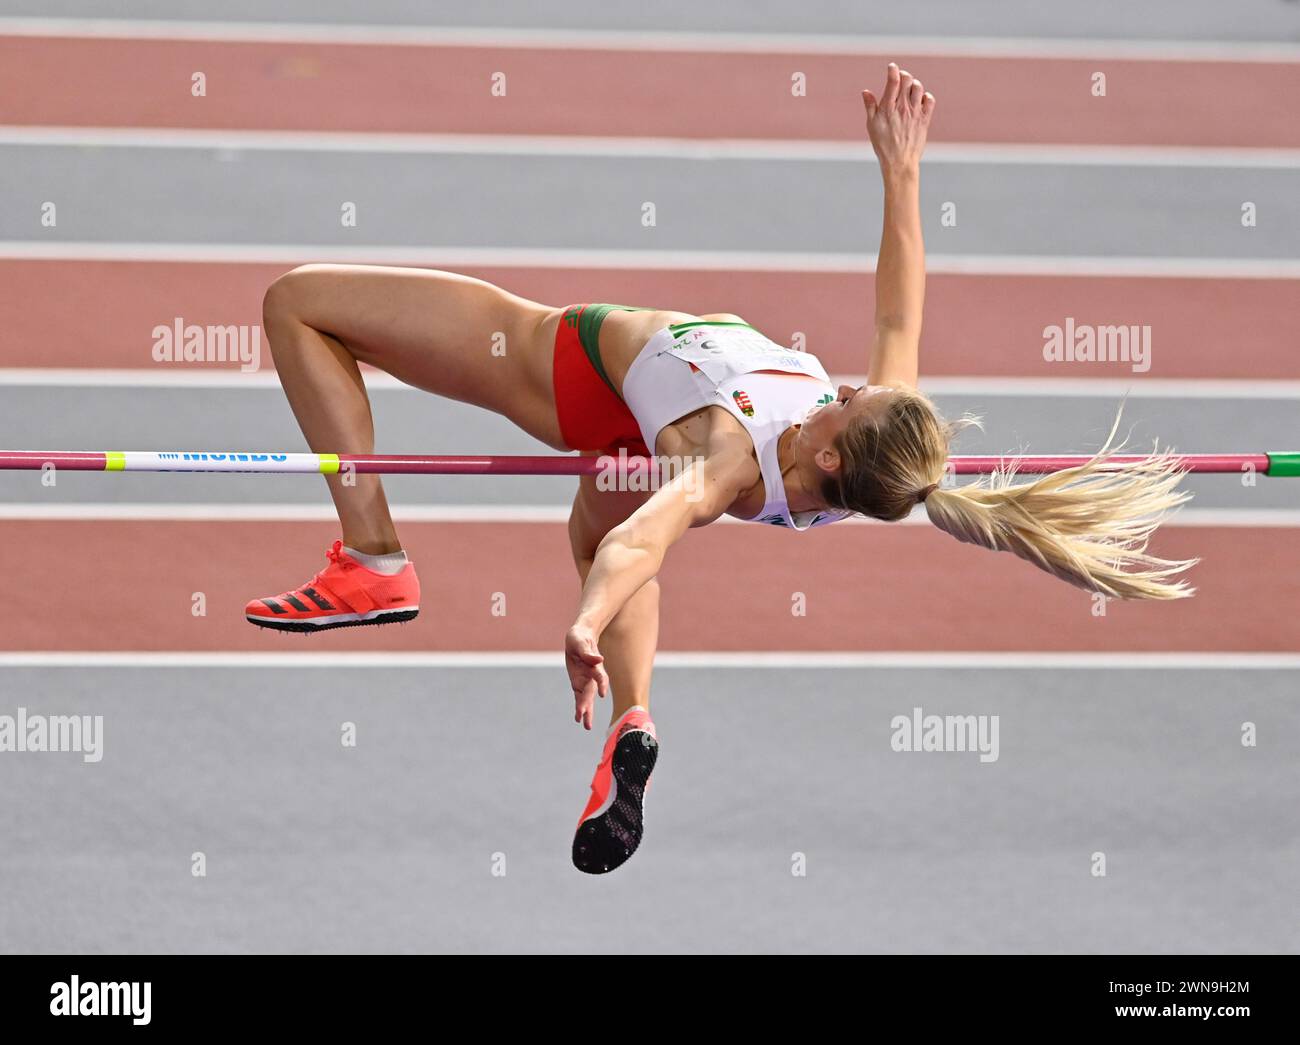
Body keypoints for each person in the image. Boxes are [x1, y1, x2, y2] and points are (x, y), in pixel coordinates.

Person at [248, 65, 1195, 873]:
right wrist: (901, 170)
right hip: (634, 440)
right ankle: (635, 719)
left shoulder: (728, 454)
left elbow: (642, 536)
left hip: (568, 367)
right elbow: (899, 316)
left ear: (829, 444)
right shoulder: (880, 462)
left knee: (300, 304)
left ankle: (372, 556)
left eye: (848, 395)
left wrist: (580, 624)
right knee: (595, 523)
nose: (852, 382)